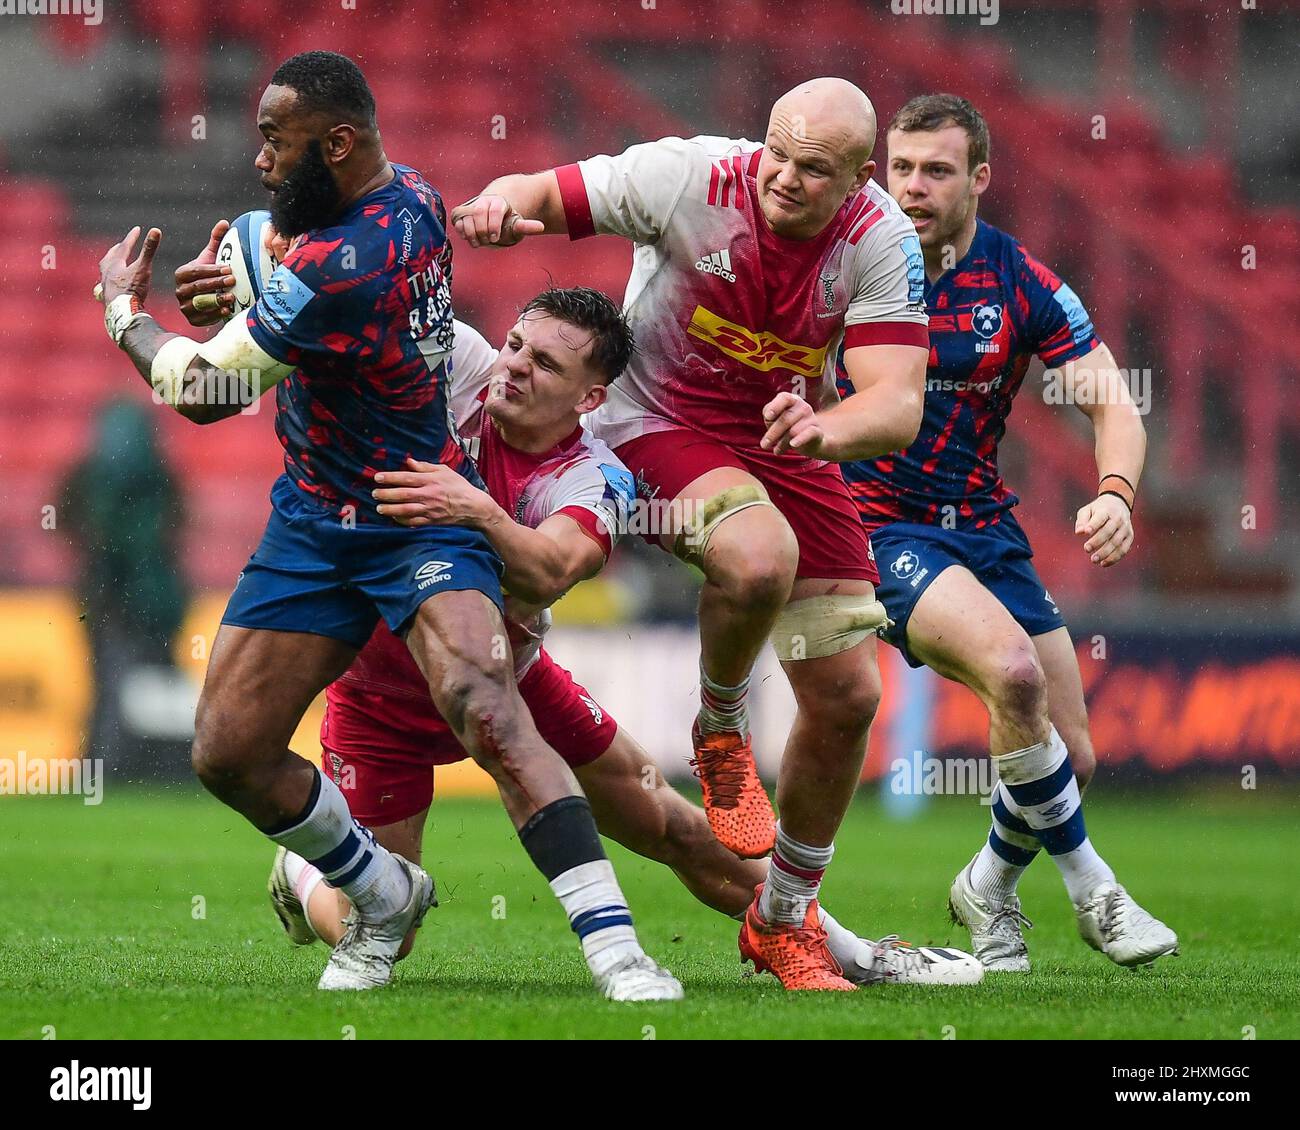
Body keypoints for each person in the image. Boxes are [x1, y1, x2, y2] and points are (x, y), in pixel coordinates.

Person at [94, 51, 680, 1001]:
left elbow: (202, 390)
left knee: (490, 708)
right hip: (313, 521)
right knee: (226, 753)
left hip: (415, 508)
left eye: (276, 145)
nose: (261, 163)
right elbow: (298, 265)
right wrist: (243, 287)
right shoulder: (414, 197)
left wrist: (126, 310)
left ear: (338, 141)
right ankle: (381, 890)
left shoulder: (344, 268)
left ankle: (619, 954)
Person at [266, 295, 982, 988]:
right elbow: (350, 312)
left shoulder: (595, 474)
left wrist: (475, 511)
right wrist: (245, 296)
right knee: (388, 930)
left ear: (589, 399)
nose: (513, 367)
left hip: (510, 680)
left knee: (680, 832)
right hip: (382, 692)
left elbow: (548, 571)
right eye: (516, 344)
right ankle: (303, 868)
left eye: (545, 363)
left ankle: (857, 955)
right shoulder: (459, 367)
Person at [450, 76, 930, 990]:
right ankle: (720, 728)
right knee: (759, 560)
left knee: (847, 700)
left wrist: (827, 430)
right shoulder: (689, 176)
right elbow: (545, 192)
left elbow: (897, 403)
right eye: (777, 152)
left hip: (794, 437)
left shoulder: (881, 240)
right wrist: (501, 207)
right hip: (656, 424)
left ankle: (783, 922)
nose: (784, 178)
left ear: (860, 177)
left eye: (813, 168)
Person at [837, 93, 1177, 970]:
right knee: (1013, 673)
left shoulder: (1017, 279)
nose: (913, 186)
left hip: (986, 529)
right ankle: (1096, 890)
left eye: (936, 170)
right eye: (900, 167)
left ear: (979, 178)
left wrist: (1114, 493)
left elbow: (1113, 403)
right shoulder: (843, 263)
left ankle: (986, 886)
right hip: (880, 526)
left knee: (1076, 754)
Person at [59, 398, 189, 781]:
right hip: (148, 602)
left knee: (111, 681)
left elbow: (70, 522)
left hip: (105, 601)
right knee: (148, 680)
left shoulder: (87, 476)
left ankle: (107, 764)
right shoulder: (161, 478)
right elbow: (176, 529)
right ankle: (149, 767)